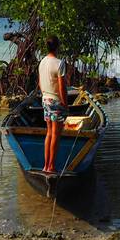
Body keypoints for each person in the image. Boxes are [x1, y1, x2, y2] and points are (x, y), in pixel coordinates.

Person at [38, 36, 67, 174]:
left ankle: (46, 166)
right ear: (57, 47)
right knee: (56, 134)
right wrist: (65, 105)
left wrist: (45, 96)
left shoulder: (42, 62)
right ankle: (52, 167)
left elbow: (40, 83)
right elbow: (62, 88)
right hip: (56, 101)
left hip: (45, 100)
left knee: (49, 133)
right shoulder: (59, 63)